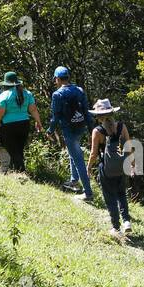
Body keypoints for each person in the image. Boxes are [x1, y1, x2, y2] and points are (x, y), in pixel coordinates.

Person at [86, 98, 134, 235]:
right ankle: (126, 221)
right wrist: (132, 165)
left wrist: (89, 167)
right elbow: (129, 146)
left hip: (106, 169)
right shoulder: (121, 126)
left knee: (110, 197)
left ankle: (116, 227)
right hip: (122, 167)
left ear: (98, 115)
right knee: (122, 194)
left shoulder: (97, 131)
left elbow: (94, 153)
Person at [48, 65, 93, 202]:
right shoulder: (79, 90)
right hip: (81, 127)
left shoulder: (57, 94)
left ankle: (88, 193)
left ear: (57, 79)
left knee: (78, 159)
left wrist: (50, 130)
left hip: (68, 129)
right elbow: (86, 111)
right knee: (74, 153)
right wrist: (92, 130)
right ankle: (74, 181)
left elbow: (55, 116)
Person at [0, 71, 42, 173]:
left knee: (13, 151)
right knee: (19, 150)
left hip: (8, 126)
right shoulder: (27, 93)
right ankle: (16, 172)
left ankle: (21, 173)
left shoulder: (4, 95)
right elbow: (33, 110)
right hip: (24, 125)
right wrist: (38, 122)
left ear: (6, 84)